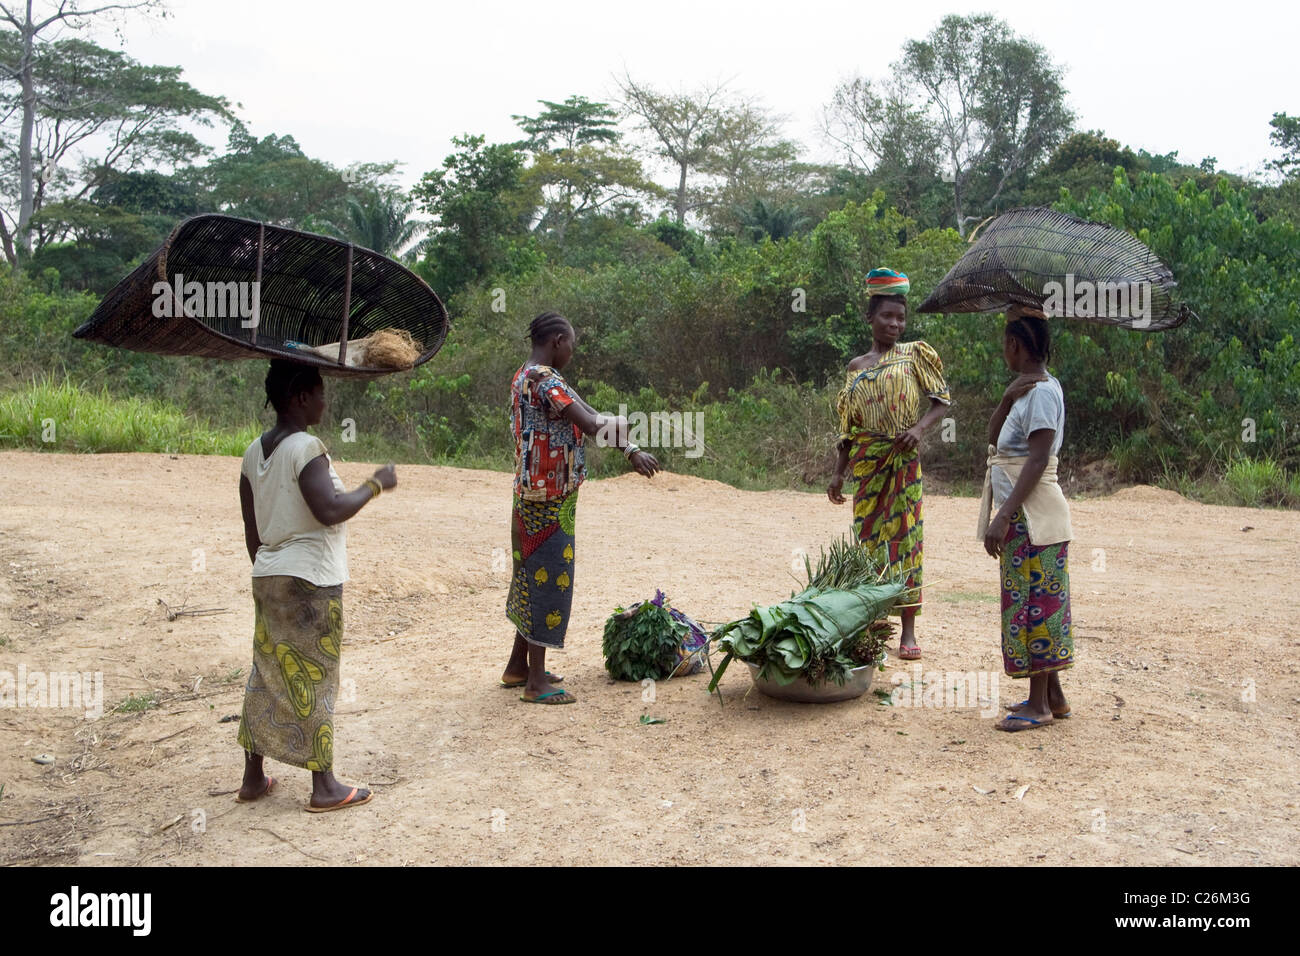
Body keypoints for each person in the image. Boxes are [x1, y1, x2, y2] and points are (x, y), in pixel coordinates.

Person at [234, 360, 396, 810]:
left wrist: (271, 573)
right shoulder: (306, 447)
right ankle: (324, 787)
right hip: (309, 578)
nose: (326, 400)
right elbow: (330, 508)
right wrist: (376, 484)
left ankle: (253, 777)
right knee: (316, 676)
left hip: (268, 574)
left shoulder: (252, 453)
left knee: (267, 671)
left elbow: (253, 531)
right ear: (300, 397)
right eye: (320, 392)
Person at [503, 311, 659, 704]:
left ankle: (518, 666)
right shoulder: (545, 380)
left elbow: (585, 413)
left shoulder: (529, 375)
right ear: (557, 340)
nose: (573, 351)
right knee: (548, 581)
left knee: (528, 578)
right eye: (571, 343)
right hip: (549, 501)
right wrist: (624, 424)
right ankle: (536, 682)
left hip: (529, 496)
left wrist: (630, 449)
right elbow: (591, 424)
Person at [828, 269, 950, 660]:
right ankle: (873, 621)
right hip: (867, 466)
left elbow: (942, 401)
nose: (895, 324)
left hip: (903, 462)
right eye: (887, 316)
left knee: (906, 540)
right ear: (870, 318)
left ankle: (908, 630)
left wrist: (918, 430)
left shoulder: (914, 355)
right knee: (868, 541)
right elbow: (847, 425)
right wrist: (837, 472)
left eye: (901, 317)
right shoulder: (856, 367)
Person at [979, 307, 1074, 732]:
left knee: (1036, 605)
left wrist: (1002, 515)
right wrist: (1006, 395)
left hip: (1034, 518)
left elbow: (1037, 460)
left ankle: (1038, 706)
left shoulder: (1043, 394)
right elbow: (992, 438)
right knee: (1030, 600)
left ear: (1014, 345)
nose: (1004, 351)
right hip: (1027, 518)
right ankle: (1051, 694)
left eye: (1006, 343)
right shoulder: (1027, 390)